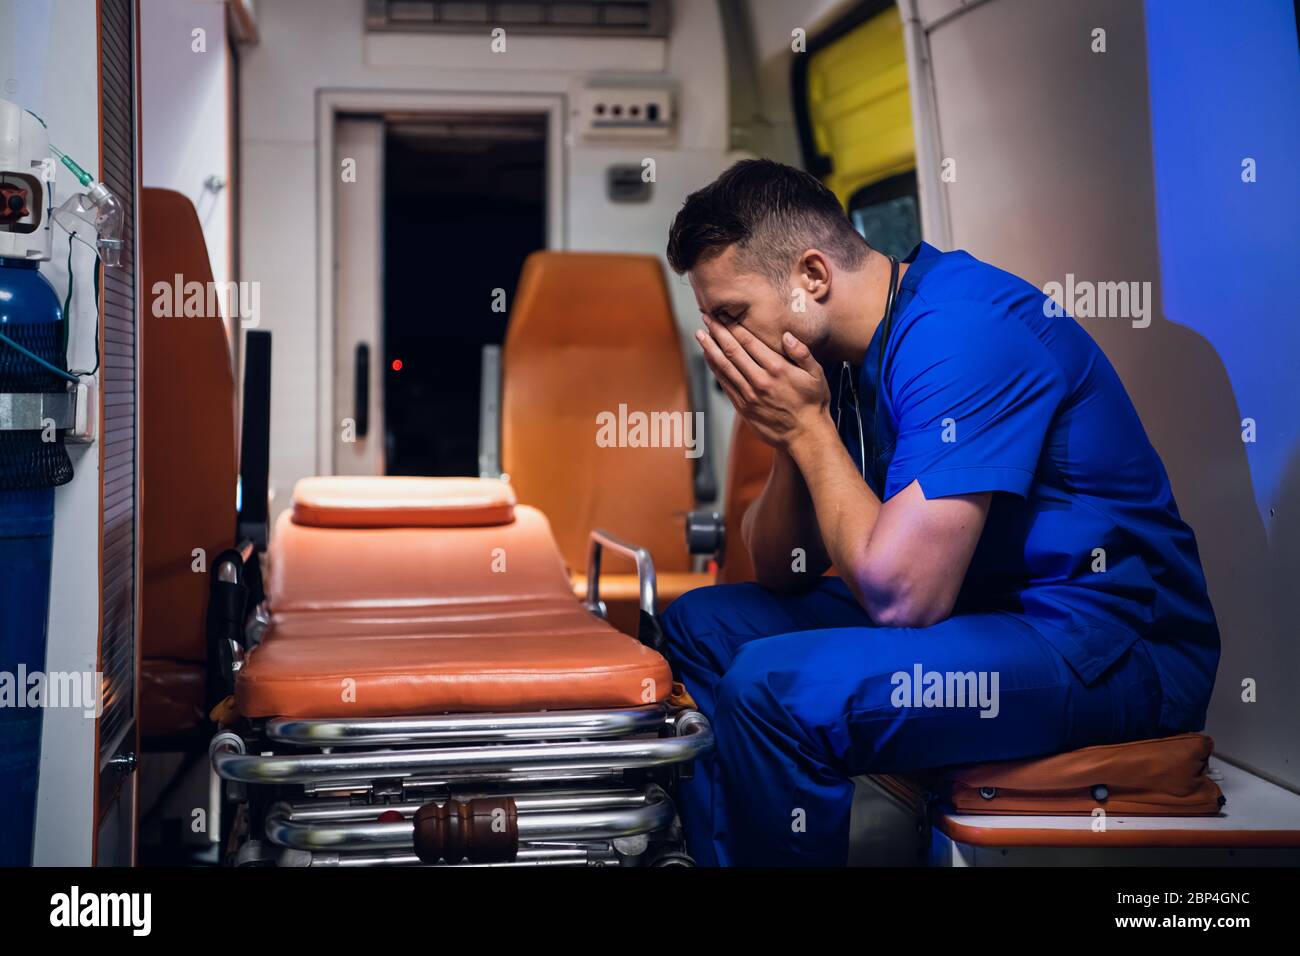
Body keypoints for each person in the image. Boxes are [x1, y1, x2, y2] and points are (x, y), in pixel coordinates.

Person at [661, 159, 1220, 866]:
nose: (719, 345)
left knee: (768, 691)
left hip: (1108, 647)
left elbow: (904, 596)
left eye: (731, 316)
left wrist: (808, 428)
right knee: (703, 625)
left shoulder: (960, 332)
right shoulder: (834, 359)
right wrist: (789, 433)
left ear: (811, 277)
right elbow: (781, 568)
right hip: (983, 614)